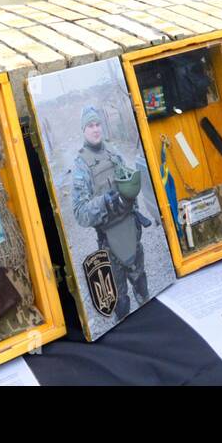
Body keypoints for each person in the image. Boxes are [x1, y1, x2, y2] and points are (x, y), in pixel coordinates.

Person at [71, 106, 150, 319]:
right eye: (90, 125)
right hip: (109, 240)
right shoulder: (81, 166)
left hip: (131, 232)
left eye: (97, 124)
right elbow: (79, 213)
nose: (95, 129)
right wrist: (104, 202)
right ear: (83, 130)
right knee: (120, 299)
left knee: (141, 282)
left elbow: (128, 182)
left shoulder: (113, 153)